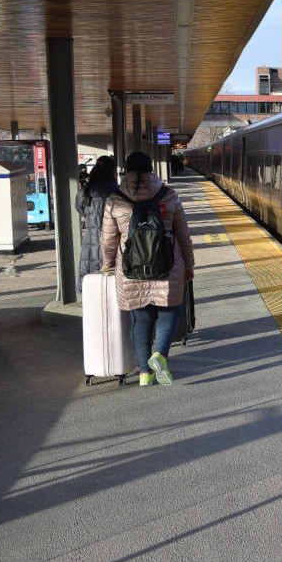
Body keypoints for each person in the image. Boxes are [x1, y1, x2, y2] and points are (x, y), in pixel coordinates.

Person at [101, 151, 195, 387]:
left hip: (131, 268)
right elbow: (183, 235)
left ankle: (145, 374)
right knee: (170, 311)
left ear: (126, 170)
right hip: (168, 265)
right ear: (151, 169)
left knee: (141, 318)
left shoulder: (115, 199)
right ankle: (159, 355)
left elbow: (108, 239)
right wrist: (189, 265)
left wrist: (108, 264)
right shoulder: (169, 195)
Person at [75, 156, 118, 292]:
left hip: (91, 239)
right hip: (113, 239)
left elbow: (80, 209)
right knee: (113, 279)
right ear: (112, 172)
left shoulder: (84, 192)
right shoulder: (117, 191)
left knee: (91, 277)